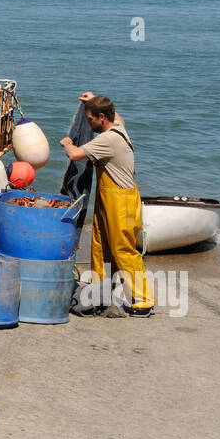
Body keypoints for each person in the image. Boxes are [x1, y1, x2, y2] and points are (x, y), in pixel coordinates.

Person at [58, 92, 153, 316]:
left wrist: (67, 142)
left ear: (102, 117)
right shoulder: (117, 127)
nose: (89, 123)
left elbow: (74, 155)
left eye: (90, 119)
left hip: (122, 201)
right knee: (101, 247)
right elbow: (119, 117)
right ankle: (101, 291)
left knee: (123, 250)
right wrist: (92, 98)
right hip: (109, 198)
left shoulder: (107, 139)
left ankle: (143, 300)